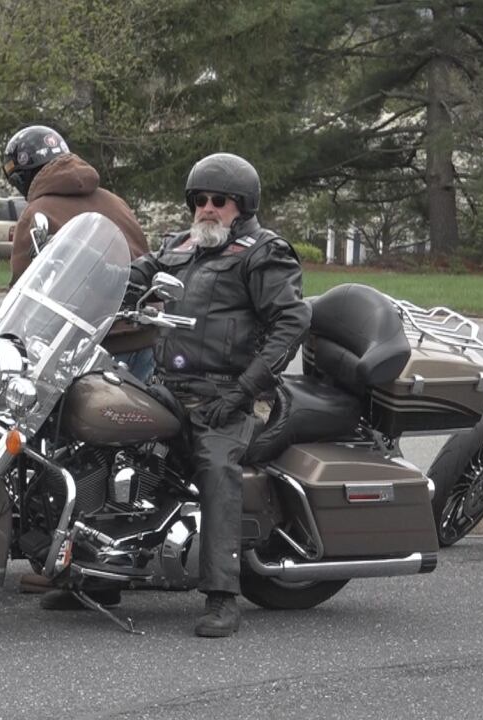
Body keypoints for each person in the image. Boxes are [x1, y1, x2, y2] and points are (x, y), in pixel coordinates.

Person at [127, 152, 310, 637]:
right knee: (112, 439)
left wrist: (247, 388)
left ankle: (223, 595)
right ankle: (89, 570)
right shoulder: (178, 246)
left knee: (216, 467)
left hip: (227, 395)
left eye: (219, 201)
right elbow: (131, 276)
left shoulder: (263, 252)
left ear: (242, 205)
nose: (208, 208)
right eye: (200, 200)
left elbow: (291, 321)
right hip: (168, 387)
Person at [2, 125, 156, 382]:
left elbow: (22, 287)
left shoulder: (37, 211)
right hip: (142, 333)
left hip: (88, 345)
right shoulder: (114, 200)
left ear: (22, 177)